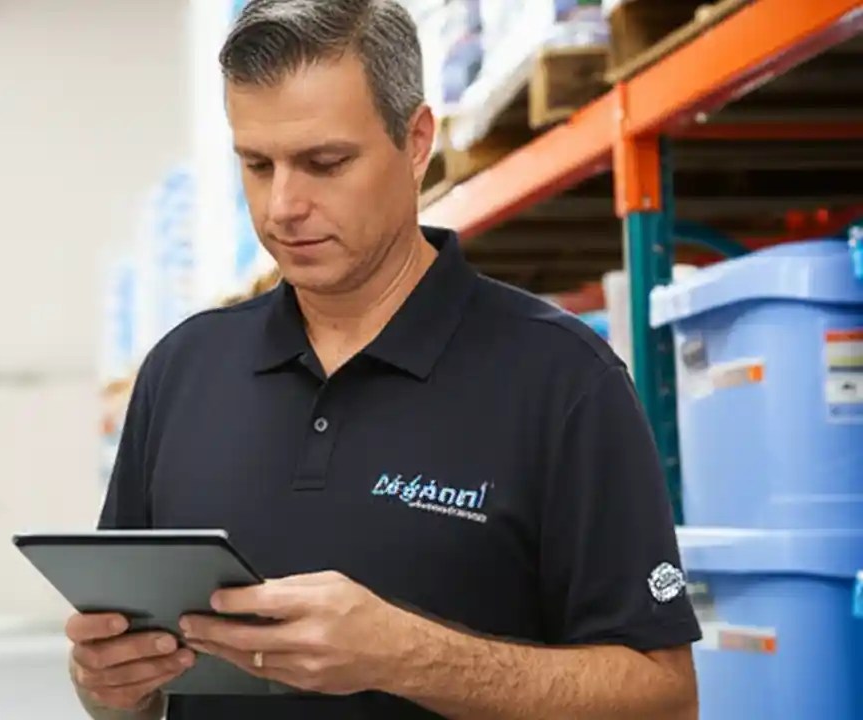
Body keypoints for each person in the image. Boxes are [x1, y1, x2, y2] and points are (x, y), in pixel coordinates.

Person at [67, 1, 701, 718]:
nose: (282, 206)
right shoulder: (181, 372)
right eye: (256, 164)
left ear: (417, 140)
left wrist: (407, 656)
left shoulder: (562, 379)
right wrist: (108, 685)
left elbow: (663, 701)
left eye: (325, 163)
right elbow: (128, 696)